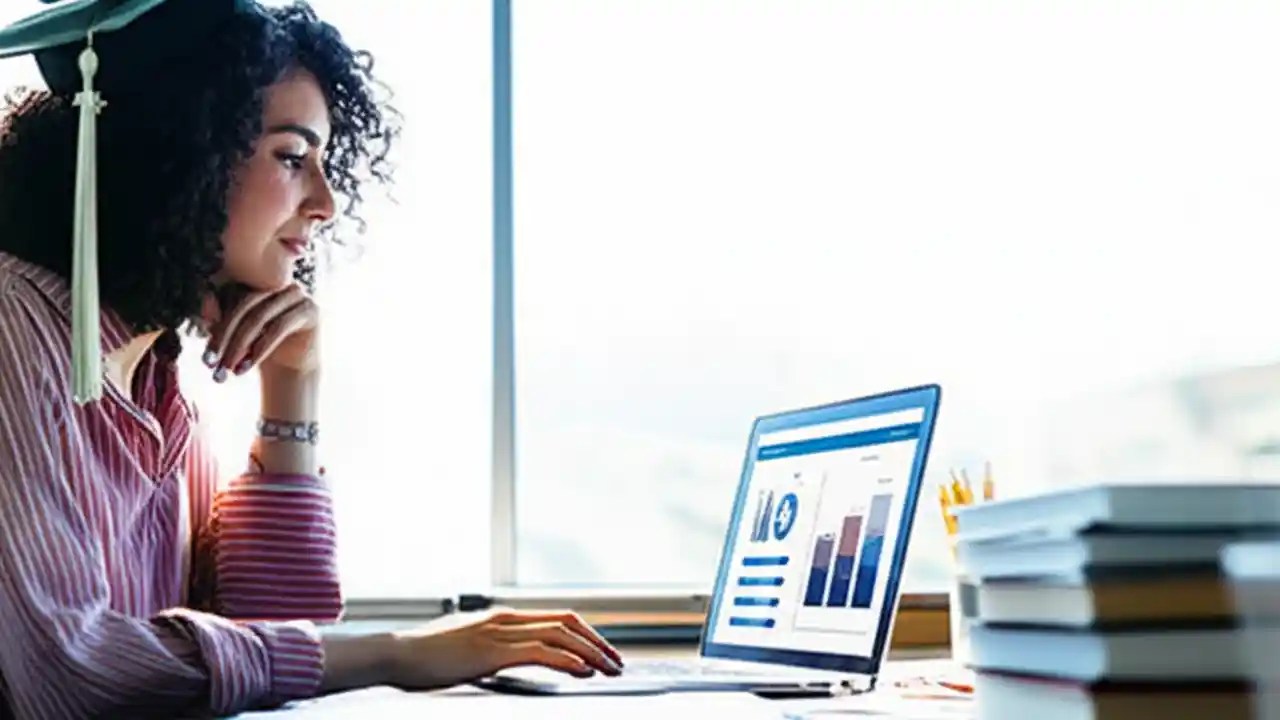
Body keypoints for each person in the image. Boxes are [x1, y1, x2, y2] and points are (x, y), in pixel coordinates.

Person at [0, 1, 621, 717]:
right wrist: (400, 652)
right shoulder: (16, 331)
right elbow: (69, 671)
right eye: (292, 158)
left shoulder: (159, 383)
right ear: (177, 156)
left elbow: (270, 637)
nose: (324, 203)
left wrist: (292, 386)